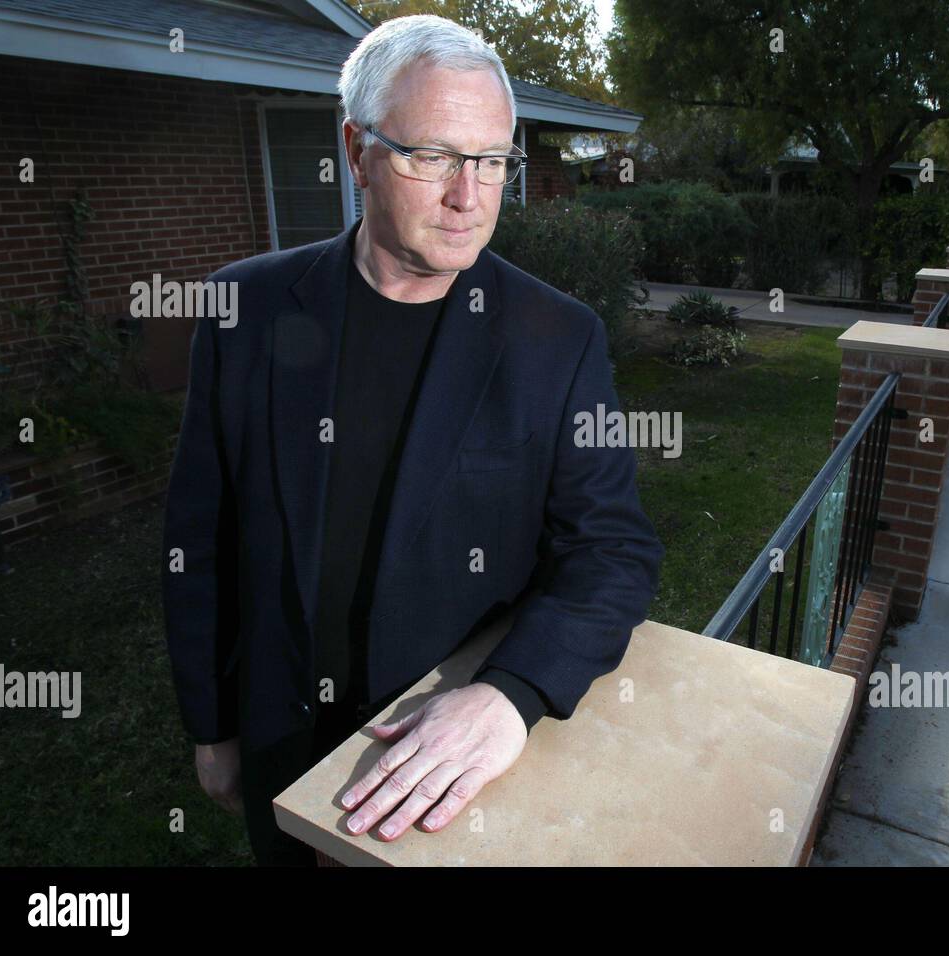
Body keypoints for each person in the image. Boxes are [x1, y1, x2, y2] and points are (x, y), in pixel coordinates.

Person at [162, 14, 663, 866]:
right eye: (432, 156)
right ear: (356, 150)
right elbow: (197, 542)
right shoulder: (243, 311)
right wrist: (212, 725)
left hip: (444, 762)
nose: (470, 196)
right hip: (283, 743)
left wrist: (509, 695)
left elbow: (612, 550)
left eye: (493, 161)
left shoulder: (555, 337)